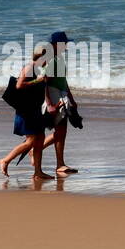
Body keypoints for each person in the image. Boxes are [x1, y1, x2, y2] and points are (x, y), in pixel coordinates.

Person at [0, 45, 53, 180]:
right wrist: (37, 80)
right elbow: (19, 85)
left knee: (40, 139)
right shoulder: (29, 68)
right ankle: (5, 160)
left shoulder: (39, 69)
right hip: (27, 111)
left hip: (35, 109)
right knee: (31, 141)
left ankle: (38, 172)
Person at [43, 31, 80, 176]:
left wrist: (71, 98)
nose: (66, 45)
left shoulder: (58, 58)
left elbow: (63, 80)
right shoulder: (51, 59)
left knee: (61, 131)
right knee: (61, 129)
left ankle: (36, 151)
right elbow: (45, 83)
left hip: (61, 94)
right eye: (64, 43)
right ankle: (59, 164)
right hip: (54, 94)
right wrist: (50, 103)